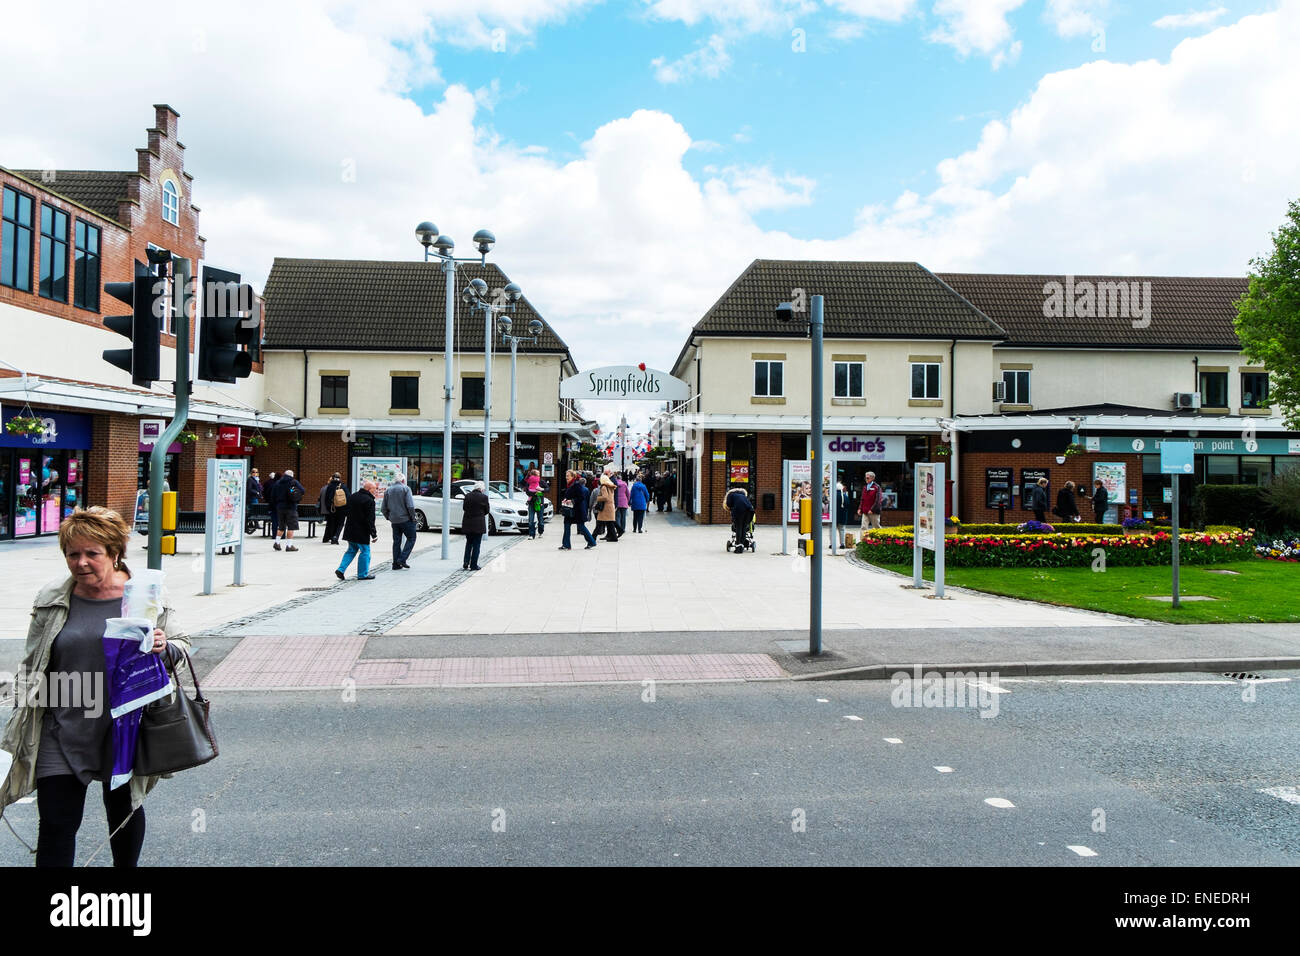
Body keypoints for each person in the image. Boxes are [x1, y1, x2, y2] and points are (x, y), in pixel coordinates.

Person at [0, 507, 190, 867]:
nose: (81, 563)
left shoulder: (146, 596)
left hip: (125, 728)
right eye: (73, 554)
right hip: (62, 727)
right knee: (56, 824)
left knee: (123, 816)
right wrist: (20, 711)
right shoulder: (53, 597)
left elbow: (182, 644)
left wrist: (167, 647)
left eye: (92, 553)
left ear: (115, 553)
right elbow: (33, 663)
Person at [336, 481, 379, 580]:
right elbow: (370, 519)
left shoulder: (352, 496)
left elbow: (346, 511)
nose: (376, 491)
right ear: (368, 489)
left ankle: (341, 569)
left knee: (351, 550)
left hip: (350, 529)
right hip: (361, 531)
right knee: (365, 552)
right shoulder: (369, 500)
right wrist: (374, 534)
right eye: (374, 489)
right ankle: (362, 574)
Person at [381, 473, 418, 570]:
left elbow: (383, 508)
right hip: (405, 519)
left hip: (394, 520)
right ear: (403, 481)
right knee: (411, 538)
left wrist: (388, 517)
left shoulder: (388, 490)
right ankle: (402, 559)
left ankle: (395, 564)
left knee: (396, 541)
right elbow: (410, 505)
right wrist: (413, 517)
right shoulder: (406, 489)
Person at [559, 470, 597, 550]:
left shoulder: (576, 485)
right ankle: (566, 545)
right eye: (566, 475)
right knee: (567, 526)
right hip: (571, 510)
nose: (566, 477)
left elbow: (581, 497)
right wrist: (565, 499)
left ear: (573, 476)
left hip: (578, 510)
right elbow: (570, 495)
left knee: (581, 527)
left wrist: (572, 500)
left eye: (568, 476)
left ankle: (591, 542)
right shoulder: (570, 485)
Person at [272, 469, 305, 551]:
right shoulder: (293, 482)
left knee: (281, 526)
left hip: (280, 507)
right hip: (291, 507)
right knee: (291, 526)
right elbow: (302, 491)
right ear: (292, 475)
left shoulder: (278, 483)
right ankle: (289, 545)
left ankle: (277, 542)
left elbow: (273, 495)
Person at [461, 481, 491, 571]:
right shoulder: (484, 497)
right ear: (481, 489)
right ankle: (473, 565)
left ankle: (466, 562)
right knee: (476, 545)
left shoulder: (467, 496)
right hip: (479, 524)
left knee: (469, 543)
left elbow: (464, 508)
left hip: (468, 523)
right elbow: (487, 510)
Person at [723, 483, 755, 553]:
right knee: (744, 528)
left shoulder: (730, 495)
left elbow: (728, 504)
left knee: (738, 528)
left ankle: (738, 547)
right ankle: (742, 545)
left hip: (739, 511)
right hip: (749, 511)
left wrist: (731, 508)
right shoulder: (743, 495)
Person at [320, 472, 348, 545]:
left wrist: (328, 507)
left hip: (332, 509)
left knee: (332, 523)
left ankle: (332, 537)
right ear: (340, 478)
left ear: (332, 478)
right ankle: (336, 537)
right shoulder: (343, 486)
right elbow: (348, 497)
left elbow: (326, 499)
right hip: (342, 508)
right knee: (340, 523)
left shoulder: (329, 486)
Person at [593, 471, 618, 542]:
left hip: (605, 508)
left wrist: (598, 498)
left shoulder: (603, 487)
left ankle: (593, 537)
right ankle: (614, 537)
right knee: (610, 523)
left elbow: (605, 497)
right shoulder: (611, 486)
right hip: (610, 507)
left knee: (599, 523)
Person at [525, 468, 546, 539]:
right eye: (538, 474)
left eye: (539, 474)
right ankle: (531, 535)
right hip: (531, 503)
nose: (539, 475)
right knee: (531, 520)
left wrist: (542, 490)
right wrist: (535, 494)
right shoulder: (529, 482)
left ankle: (540, 532)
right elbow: (527, 491)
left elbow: (547, 489)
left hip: (540, 503)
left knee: (540, 519)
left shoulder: (541, 481)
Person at [263, 471, 279, 539]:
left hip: (273, 505)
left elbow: (266, 493)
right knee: (281, 522)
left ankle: (274, 535)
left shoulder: (271, 485)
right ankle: (282, 535)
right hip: (281, 506)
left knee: (274, 521)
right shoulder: (284, 485)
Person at [614, 473, 630, 537]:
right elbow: (628, 493)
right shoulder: (624, 484)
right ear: (621, 478)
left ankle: (618, 529)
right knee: (623, 517)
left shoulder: (614, 484)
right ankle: (623, 529)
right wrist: (628, 501)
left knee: (617, 516)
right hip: (624, 501)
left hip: (617, 502)